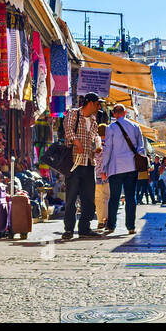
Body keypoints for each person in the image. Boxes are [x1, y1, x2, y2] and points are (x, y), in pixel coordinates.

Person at [61, 94, 105, 240]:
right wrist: (76, 142)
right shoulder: (74, 113)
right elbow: (68, 130)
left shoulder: (93, 120)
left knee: (88, 198)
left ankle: (85, 227)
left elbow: (93, 137)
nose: (99, 107)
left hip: (89, 162)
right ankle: (69, 229)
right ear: (91, 103)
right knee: (71, 197)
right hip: (74, 163)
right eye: (98, 104)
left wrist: (96, 146)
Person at [101, 103, 147, 234]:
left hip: (116, 168)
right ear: (125, 112)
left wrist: (104, 167)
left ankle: (111, 225)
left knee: (114, 198)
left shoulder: (111, 128)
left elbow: (108, 148)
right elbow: (141, 148)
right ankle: (130, 226)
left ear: (114, 114)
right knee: (130, 197)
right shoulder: (135, 126)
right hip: (131, 166)